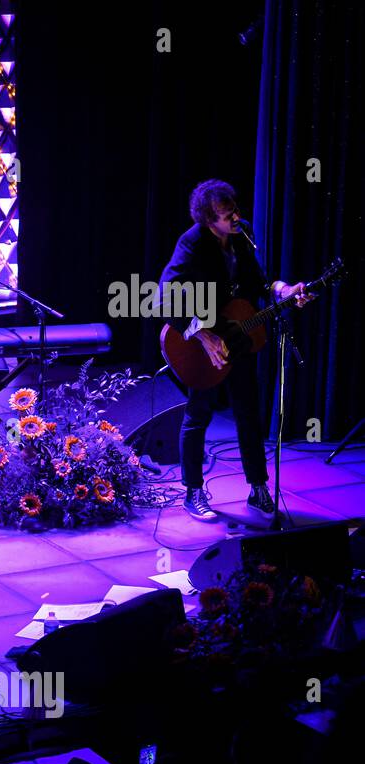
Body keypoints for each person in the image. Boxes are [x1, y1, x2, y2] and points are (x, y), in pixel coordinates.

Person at [159, 179, 315, 521]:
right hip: (203, 341)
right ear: (207, 218)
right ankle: (193, 491)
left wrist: (285, 289)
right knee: (198, 415)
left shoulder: (241, 234)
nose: (234, 218)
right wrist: (204, 335)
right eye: (226, 214)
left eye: (235, 211)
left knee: (248, 413)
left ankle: (258, 488)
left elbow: (258, 281)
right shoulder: (193, 243)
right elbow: (165, 297)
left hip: (238, 334)